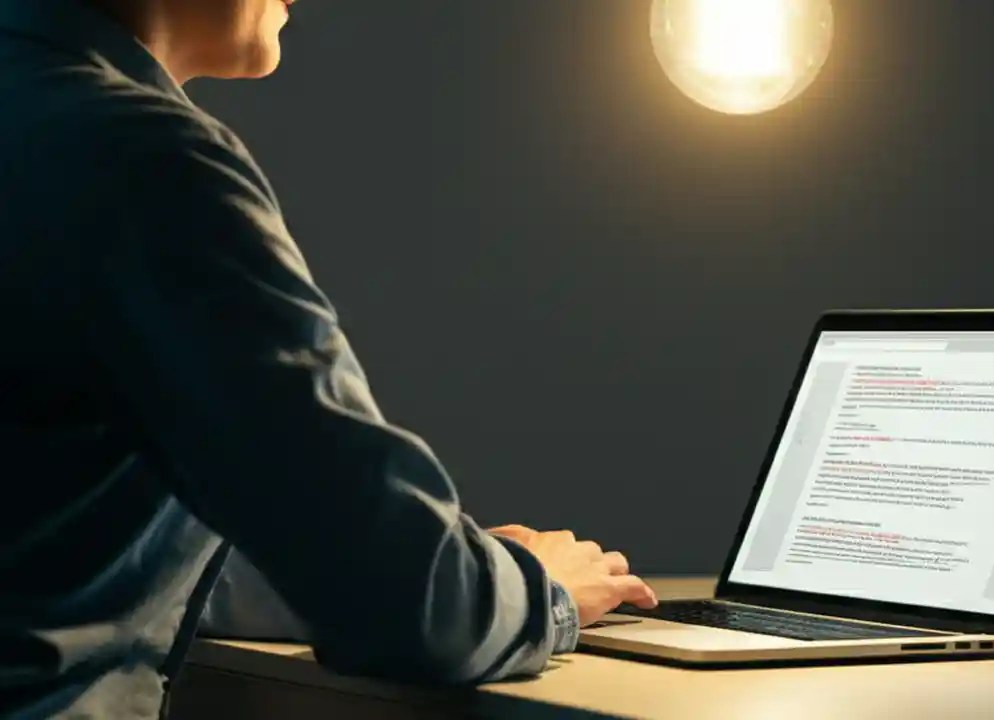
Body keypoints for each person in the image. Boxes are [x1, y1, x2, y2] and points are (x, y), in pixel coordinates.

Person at [0, 0, 659, 717]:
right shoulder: (144, 163)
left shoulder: (33, 111)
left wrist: (380, 568)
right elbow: (403, 607)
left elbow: (61, 551)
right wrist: (540, 591)